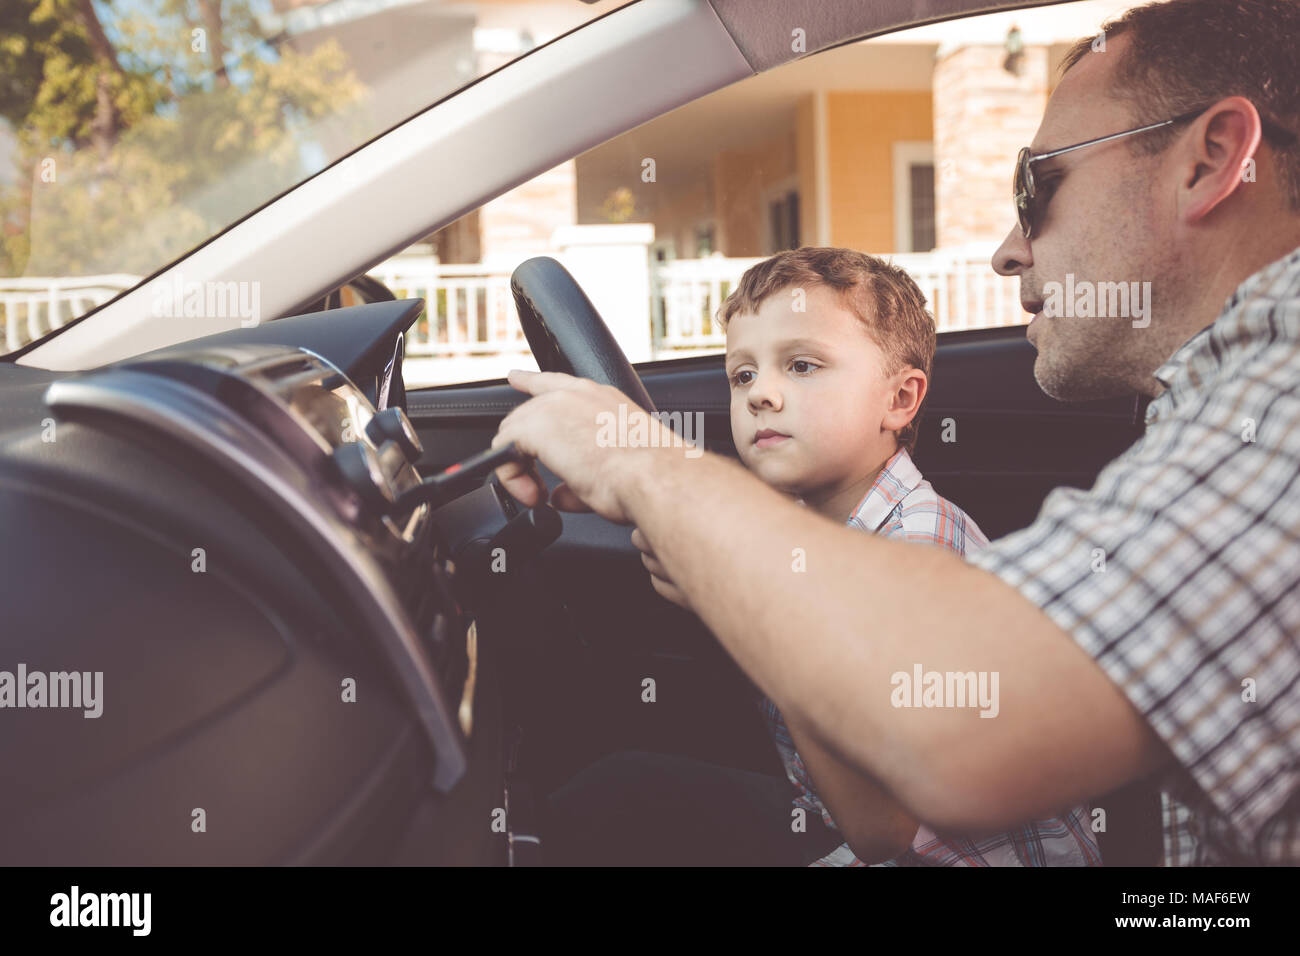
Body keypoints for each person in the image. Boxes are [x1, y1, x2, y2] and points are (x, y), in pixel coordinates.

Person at [495, 0, 1300, 866]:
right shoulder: (1205, 407)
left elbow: (955, 744)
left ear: (1212, 160)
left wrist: (644, 463)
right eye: (745, 374)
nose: (1006, 250)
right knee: (628, 795)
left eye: (1037, 187)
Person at [717, 245, 1099, 866]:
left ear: (899, 401)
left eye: (803, 366)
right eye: (743, 374)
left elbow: (881, 827)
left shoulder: (921, 545)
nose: (762, 393)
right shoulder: (809, 530)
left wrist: (752, 607)